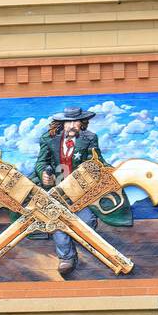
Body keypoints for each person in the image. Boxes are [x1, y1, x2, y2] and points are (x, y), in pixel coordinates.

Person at [32, 105, 103, 276]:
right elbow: (41, 163)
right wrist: (43, 175)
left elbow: (97, 162)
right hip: (56, 189)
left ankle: (70, 240)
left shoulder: (90, 138)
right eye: (68, 122)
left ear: (82, 123)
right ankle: (67, 258)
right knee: (57, 220)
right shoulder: (48, 139)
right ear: (62, 124)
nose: (71, 126)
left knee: (88, 222)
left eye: (75, 122)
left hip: (81, 191)